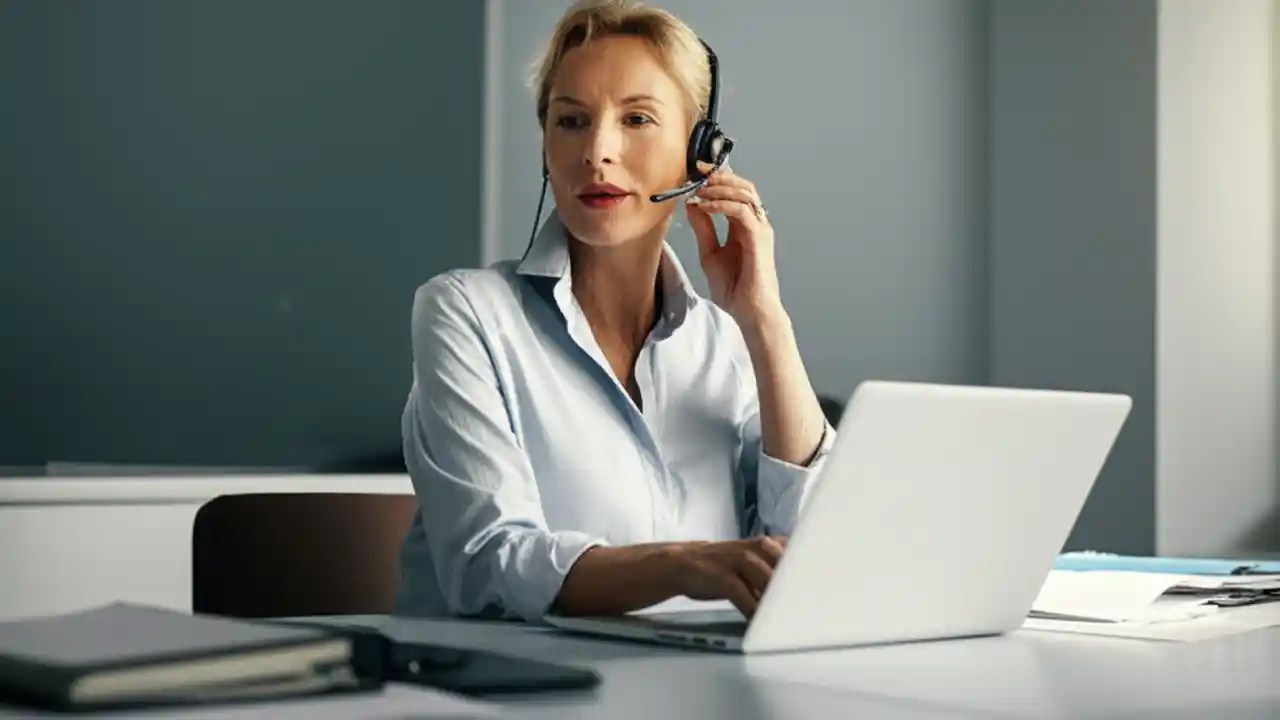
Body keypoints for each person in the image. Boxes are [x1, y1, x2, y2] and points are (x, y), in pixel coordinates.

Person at [395, 0, 835, 623]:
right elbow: (490, 562)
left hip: (699, 688)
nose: (597, 152)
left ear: (699, 152)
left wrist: (765, 321)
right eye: (570, 121)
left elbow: (815, 554)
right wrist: (683, 563)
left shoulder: (723, 343)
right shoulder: (466, 314)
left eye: (636, 119)